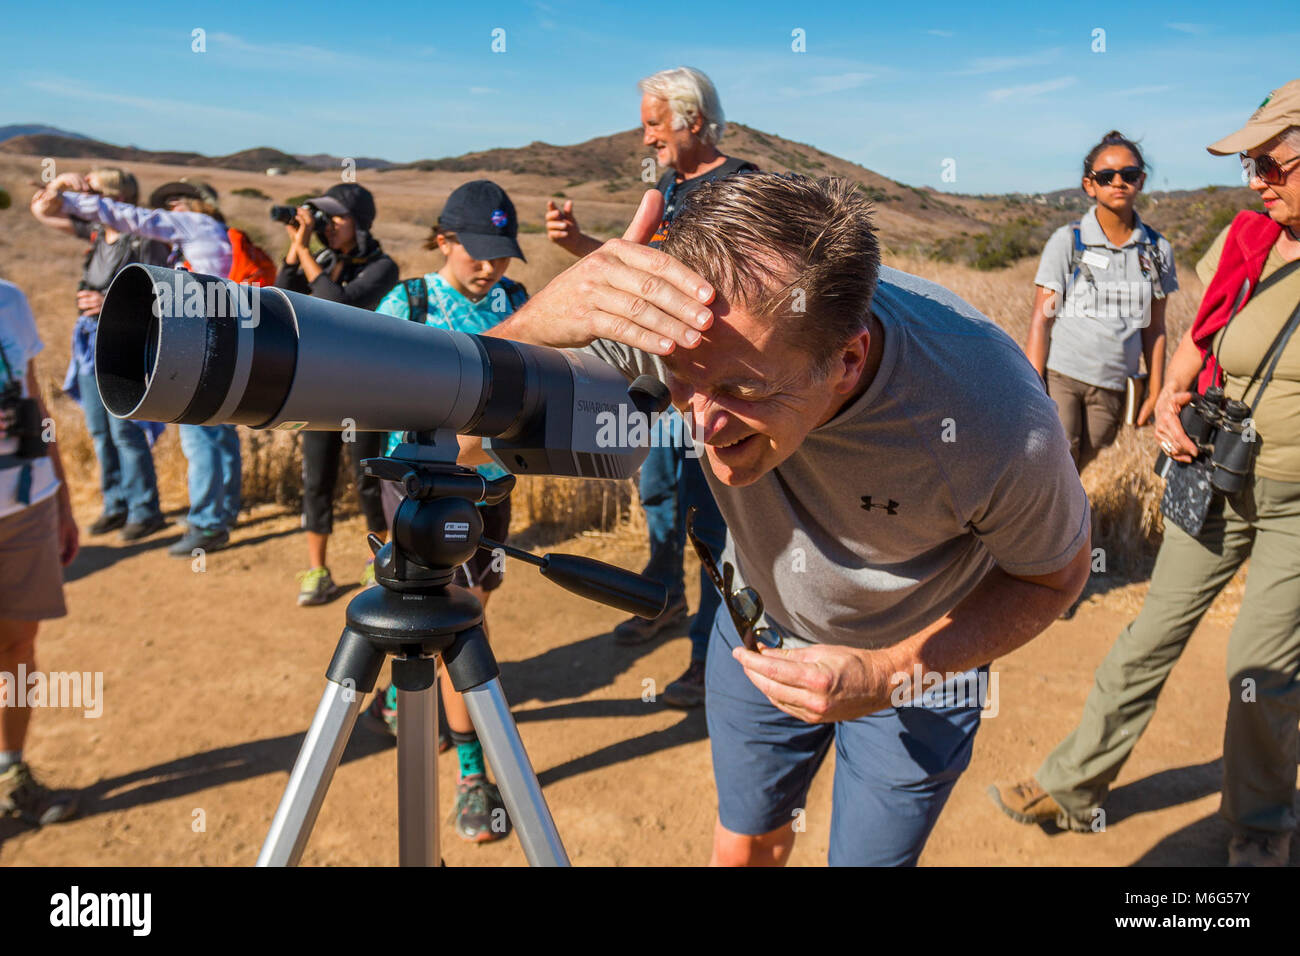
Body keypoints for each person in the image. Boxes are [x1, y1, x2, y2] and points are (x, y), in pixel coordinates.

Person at [473, 172, 1091, 866]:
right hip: (757, 640)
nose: (702, 424)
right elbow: (450, 433)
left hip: (920, 666)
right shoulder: (684, 325)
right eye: (682, 383)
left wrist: (886, 675)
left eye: (741, 389)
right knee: (744, 846)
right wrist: (540, 320)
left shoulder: (994, 417)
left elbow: (1053, 576)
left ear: (849, 360)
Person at [989, 81, 1300, 868]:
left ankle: (1261, 824)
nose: (1258, 179)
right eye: (1252, 166)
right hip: (1218, 481)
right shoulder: (1251, 238)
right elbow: (1200, 335)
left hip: (1296, 510)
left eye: (1273, 163)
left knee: (1256, 667)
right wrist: (1168, 398)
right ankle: (1072, 784)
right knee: (1146, 637)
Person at [547, 66, 756, 709]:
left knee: (706, 520)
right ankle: (663, 603)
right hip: (655, 382)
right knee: (661, 494)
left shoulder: (743, 189)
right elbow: (650, 271)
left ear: (692, 120)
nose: (645, 138)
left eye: (653, 124)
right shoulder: (670, 185)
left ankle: (708, 655)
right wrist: (581, 245)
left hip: (705, 388)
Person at [365, 180, 527, 843]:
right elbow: (371, 394)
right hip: (418, 495)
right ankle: (472, 774)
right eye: (477, 252)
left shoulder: (518, 302)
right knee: (449, 621)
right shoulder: (408, 303)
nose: (490, 267)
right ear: (445, 239)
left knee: (473, 610)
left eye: (502, 253)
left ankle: (411, 698)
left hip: (490, 493)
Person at [33, 176, 243, 556]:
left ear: (200, 205)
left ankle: (208, 524)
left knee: (198, 438)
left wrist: (67, 195)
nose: (169, 210)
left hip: (204, 345)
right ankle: (224, 511)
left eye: (177, 201)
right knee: (219, 434)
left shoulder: (193, 226)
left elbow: (125, 216)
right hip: (228, 341)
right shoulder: (209, 235)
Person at [28, 167, 170, 541]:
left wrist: (108, 301)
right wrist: (59, 183)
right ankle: (115, 505)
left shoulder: (144, 238)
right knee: (99, 429)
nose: (82, 198)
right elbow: (42, 211)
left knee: (125, 429)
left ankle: (145, 509)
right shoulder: (96, 233)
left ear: (116, 199)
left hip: (123, 341)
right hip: (88, 343)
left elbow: (160, 292)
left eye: (91, 191)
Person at [275, 183, 398, 605]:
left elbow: (339, 304)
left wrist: (308, 253)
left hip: (361, 391)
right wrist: (298, 245)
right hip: (316, 387)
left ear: (359, 223)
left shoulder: (383, 267)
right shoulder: (323, 257)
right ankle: (317, 570)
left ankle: (376, 558)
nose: (326, 226)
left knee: (367, 479)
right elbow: (282, 291)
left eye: (335, 218)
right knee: (316, 480)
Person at [1027, 132, 1178, 474]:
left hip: (1114, 383)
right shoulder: (1069, 240)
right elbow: (1042, 318)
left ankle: (1069, 523)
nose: (1119, 182)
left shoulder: (1157, 250)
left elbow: (1155, 329)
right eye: (1107, 176)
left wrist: (1155, 392)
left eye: (1129, 174)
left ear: (1141, 180)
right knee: (1056, 462)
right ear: (1089, 185)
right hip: (1061, 375)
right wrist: (1032, 387)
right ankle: (1054, 526)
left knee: (1084, 463)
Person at [0, 278, 80, 825]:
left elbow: (33, 397)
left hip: (26, 504)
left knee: (18, 649)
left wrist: (62, 494)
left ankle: (12, 772)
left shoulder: (8, 300)